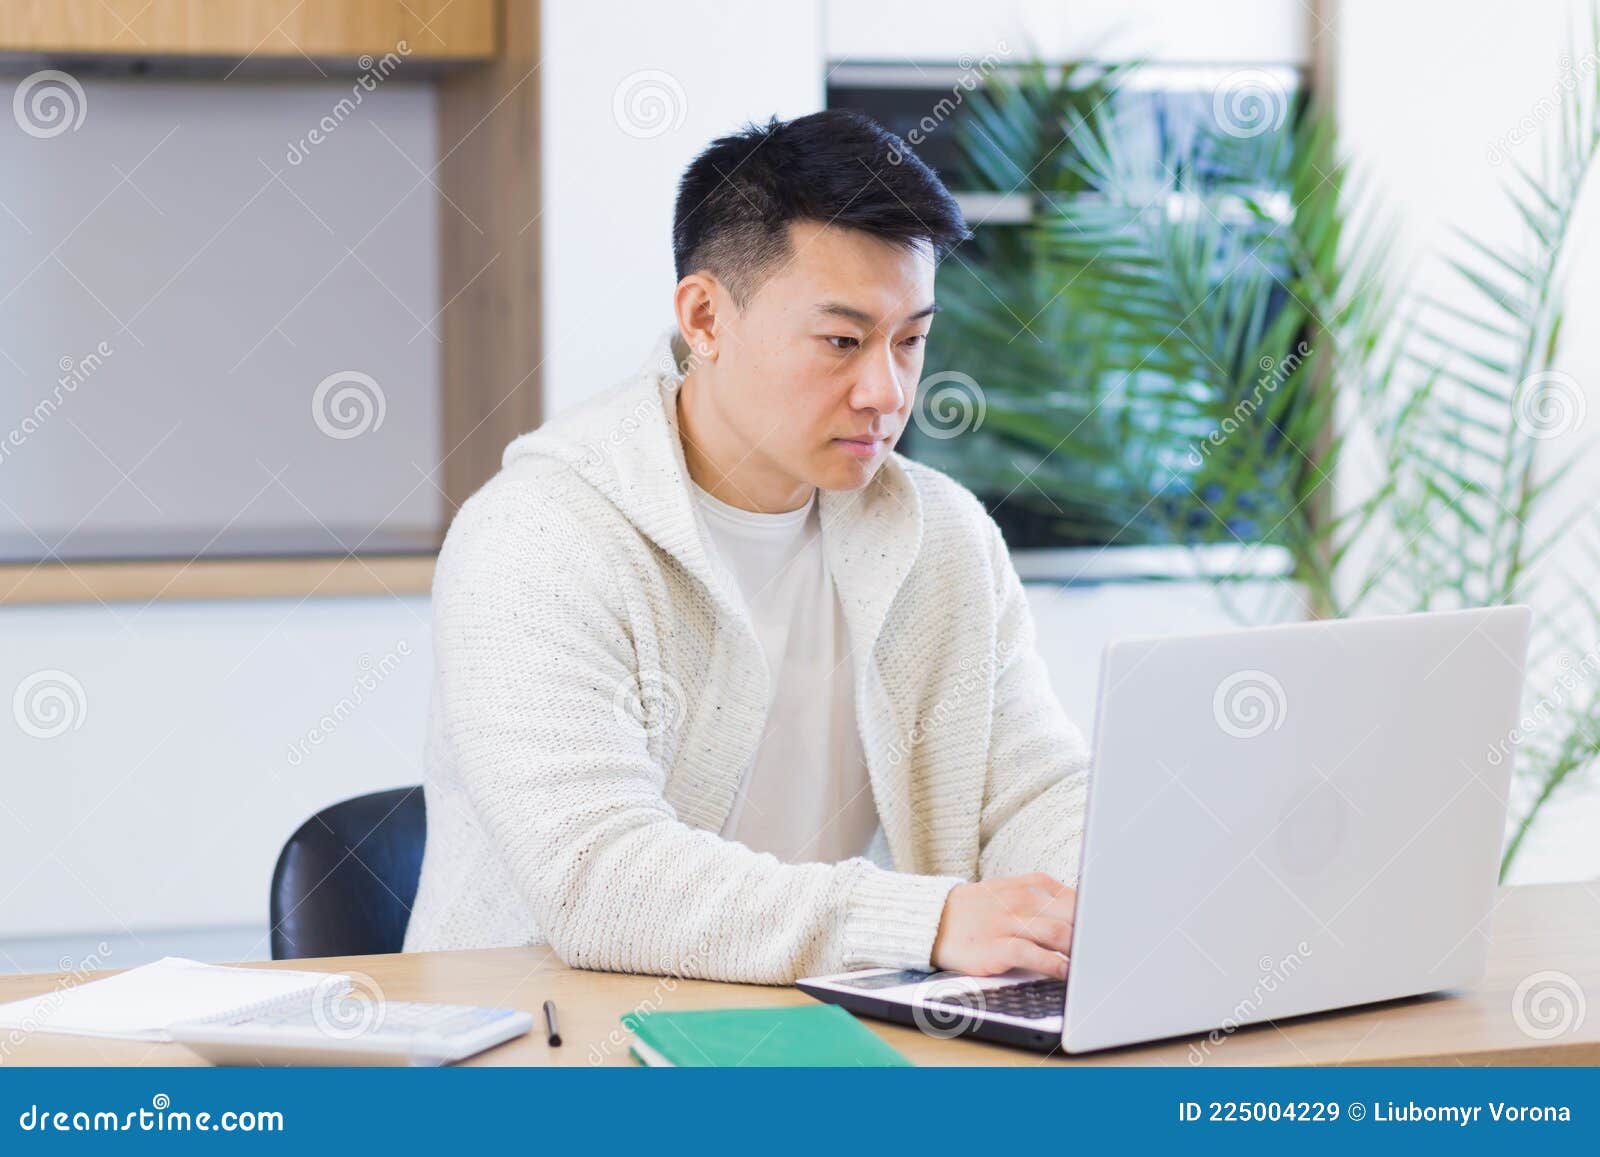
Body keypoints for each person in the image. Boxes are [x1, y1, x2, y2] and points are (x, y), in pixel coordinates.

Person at [404, 109, 1089, 986]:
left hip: (799, 1025)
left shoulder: (943, 537)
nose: (886, 391)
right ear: (705, 317)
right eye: (842, 341)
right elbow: (597, 877)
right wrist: (926, 918)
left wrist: (1100, 898)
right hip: (542, 1053)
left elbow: (1034, 793)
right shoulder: (537, 535)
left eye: (911, 340)